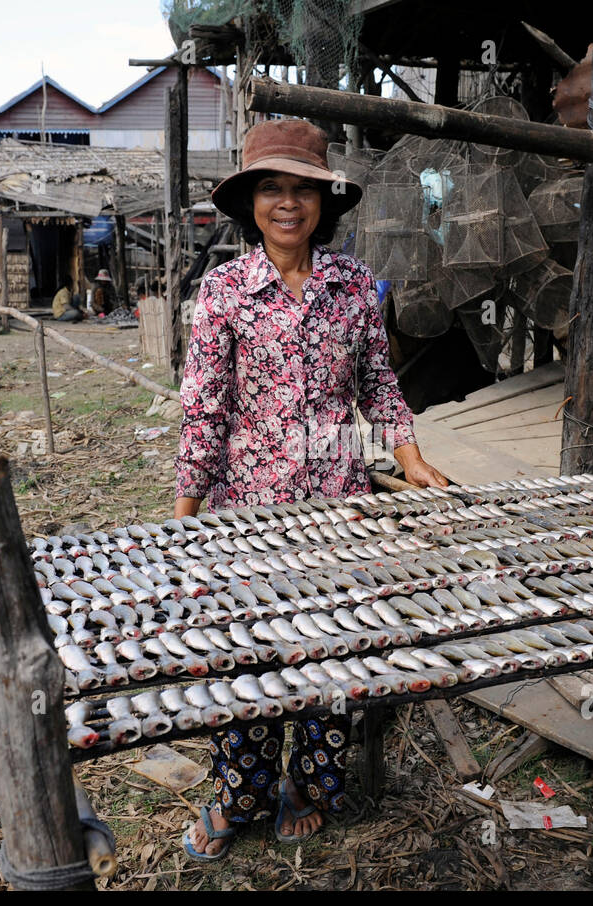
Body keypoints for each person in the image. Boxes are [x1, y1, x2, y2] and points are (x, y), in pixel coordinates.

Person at [175, 118, 448, 862]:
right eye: (273, 188)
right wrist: (184, 517)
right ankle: (240, 793)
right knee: (247, 657)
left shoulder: (353, 285)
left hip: (338, 507)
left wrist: (410, 454)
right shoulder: (225, 290)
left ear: (326, 201)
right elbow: (205, 408)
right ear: (250, 202)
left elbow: (378, 384)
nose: (288, 203)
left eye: (304, 189)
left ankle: (310, 785)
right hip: (248, 517)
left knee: (329, 655)